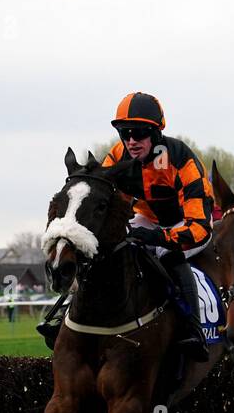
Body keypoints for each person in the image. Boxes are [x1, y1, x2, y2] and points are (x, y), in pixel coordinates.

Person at [91, 91, 213, 361]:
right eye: (125, 132)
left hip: (188, 222)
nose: (132, 141)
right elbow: (101, 196)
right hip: (147, 217)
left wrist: (159, 237)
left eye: (139, 132)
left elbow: (200, 228)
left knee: (168, 254)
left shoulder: (181, 158)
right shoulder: (118, 155)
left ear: (156, 132)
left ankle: (193, 330)